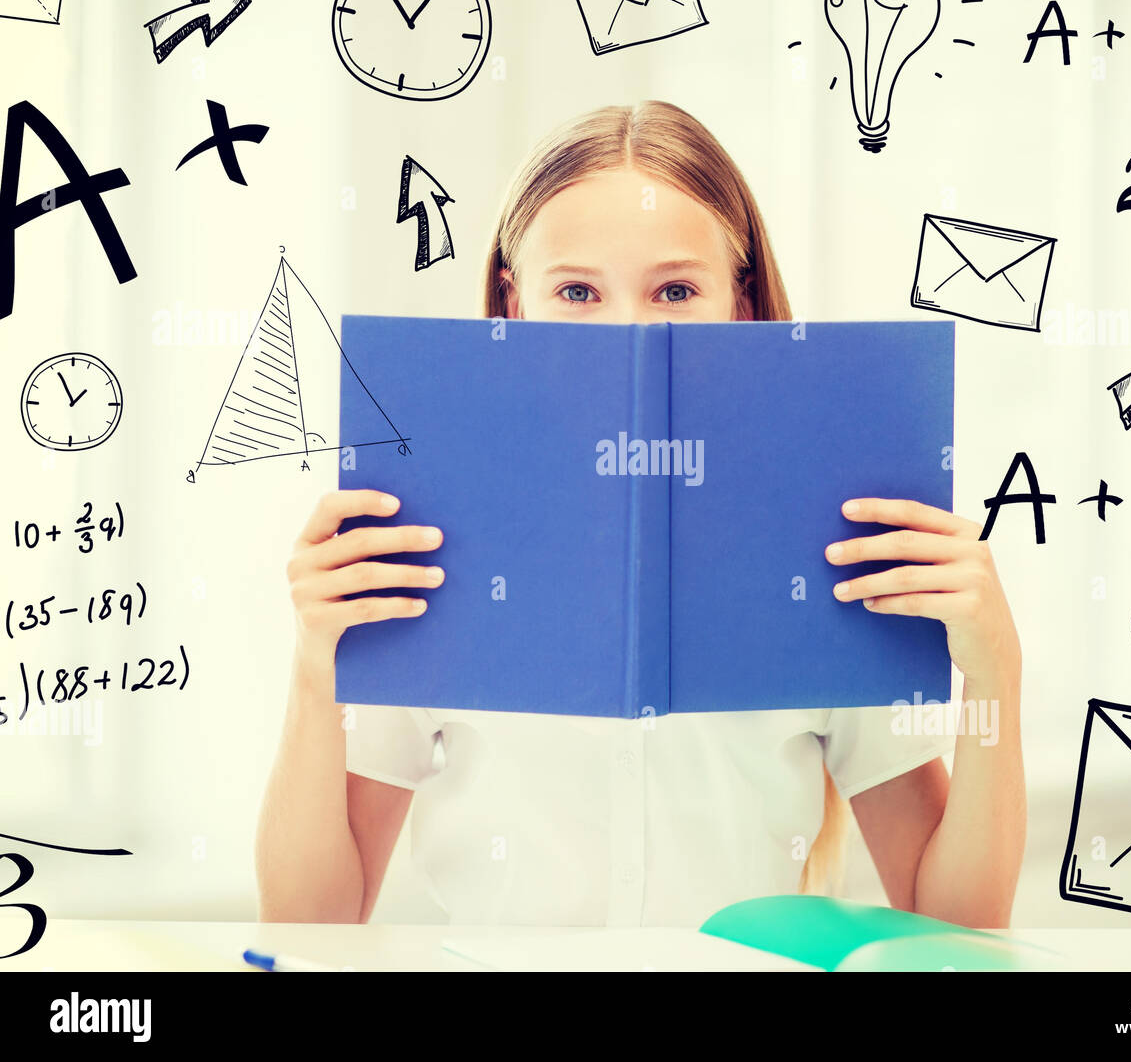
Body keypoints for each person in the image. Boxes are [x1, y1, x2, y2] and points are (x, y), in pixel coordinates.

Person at [255, 101, 1025, 929]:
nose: (627, 329)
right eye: (578, 289)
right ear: (515, 305)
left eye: (676, 289)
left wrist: (996, 673)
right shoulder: (426, 538)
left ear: (742, 299)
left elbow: (957, 924)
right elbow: (313, 920)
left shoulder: (834, 538)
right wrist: (312, 665)